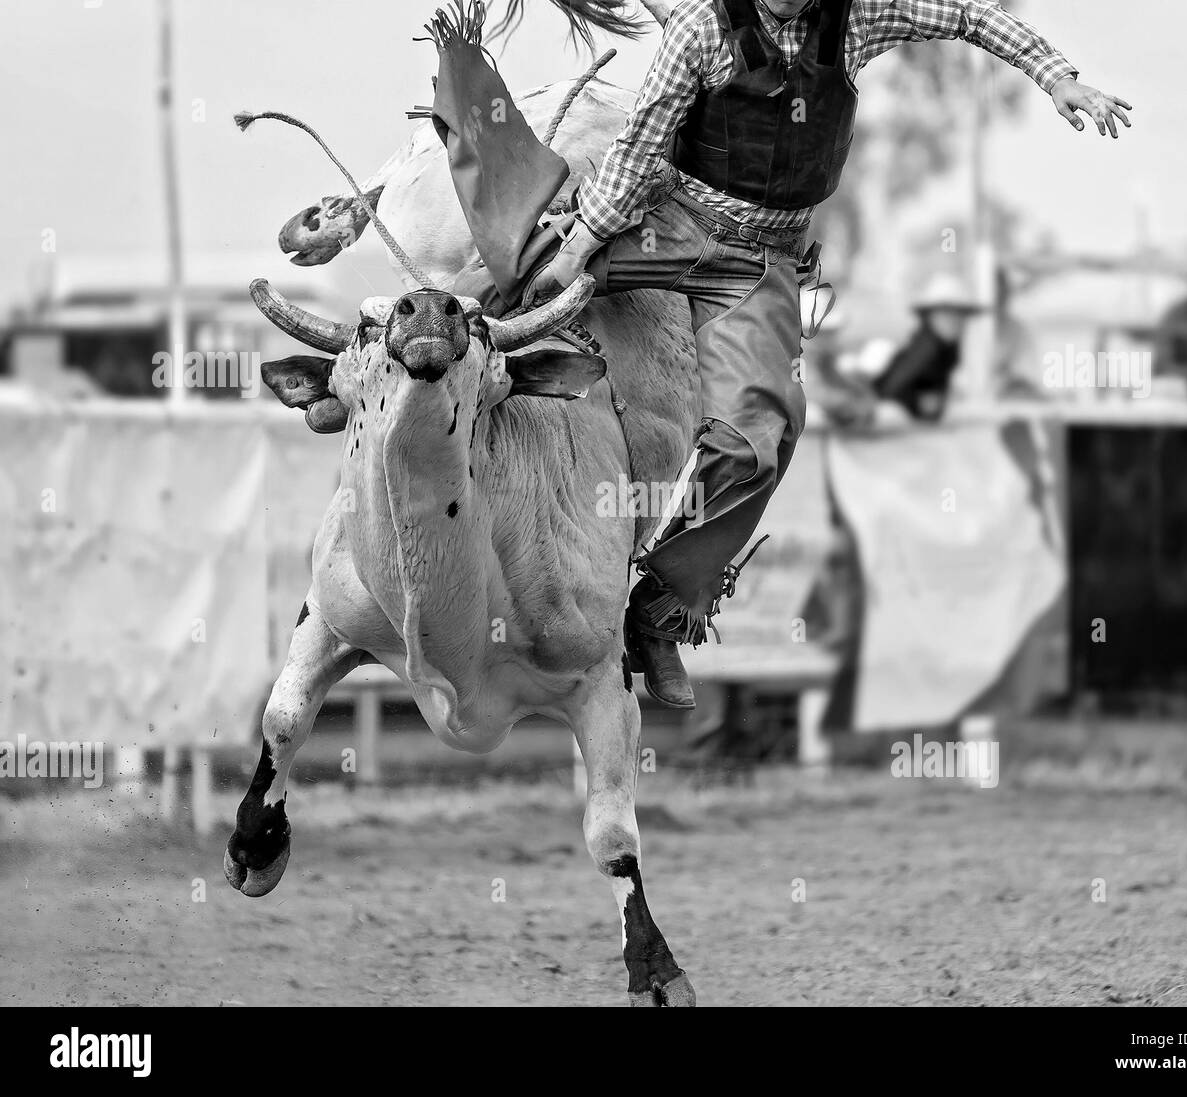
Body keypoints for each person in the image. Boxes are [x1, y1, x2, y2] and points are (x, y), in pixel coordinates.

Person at [436, 0, 1133, 708]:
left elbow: (965, 16)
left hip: (759, 262)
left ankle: (660, 610)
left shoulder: (859, 17)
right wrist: (581, 246)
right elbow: (642, 147)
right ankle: (386, 365)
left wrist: (1055, 77)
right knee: (520, 262)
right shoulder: (704, 28)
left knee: (760, 439)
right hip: (667, 220)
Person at [872, 272, 981, 422]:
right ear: (930, 316)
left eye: (960, 314)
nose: (956, 321)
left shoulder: (948, 348)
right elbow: (890, 390)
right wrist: (919, 403)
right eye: (947, 313)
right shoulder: (926, 348)